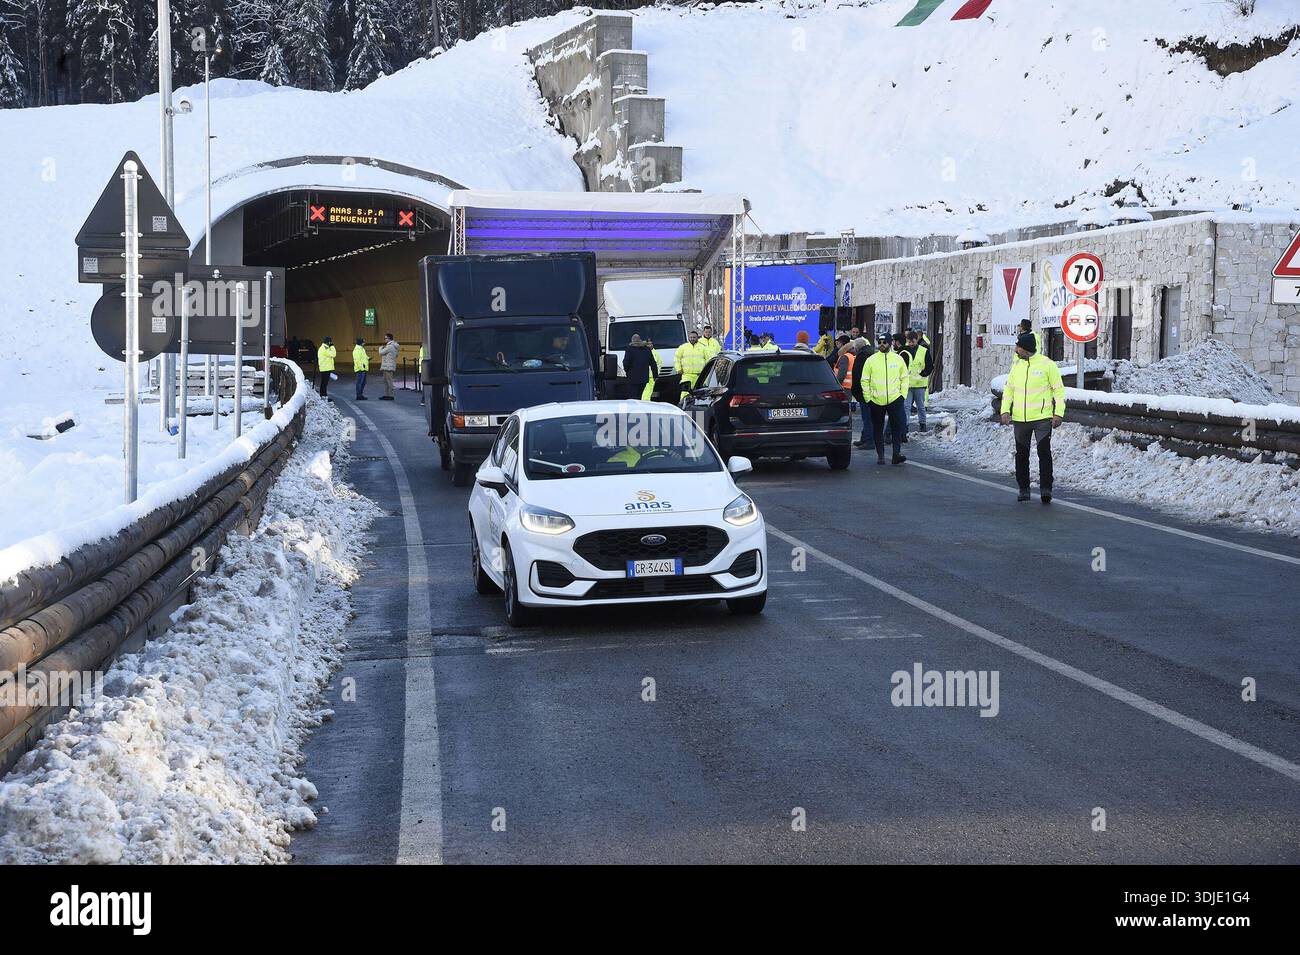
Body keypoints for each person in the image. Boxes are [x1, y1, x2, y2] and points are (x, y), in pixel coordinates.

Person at [1001, 331, 1065, 503]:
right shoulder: (1017, 365)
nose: (1015, 349)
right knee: (1022, 454)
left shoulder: (1047, 364)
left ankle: (1046, 489)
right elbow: (1009, 390)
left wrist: (1058, 413)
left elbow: (1059, 390)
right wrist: (1005, 410)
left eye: (1018, 347)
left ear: (1026, 349)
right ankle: (1024, 489)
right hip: (1020, 419)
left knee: (1044, 453)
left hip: (1042, 418)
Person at [863, 333, 909, 465]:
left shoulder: (898, 359)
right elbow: (864, 380)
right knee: (877, 428)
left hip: (895, 399)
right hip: (876, 400)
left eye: (884, 342)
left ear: (890, 343)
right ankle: (881, 456)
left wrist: (902, 395)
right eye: (880, 342)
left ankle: (896, 454)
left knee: (897, 427)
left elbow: (904, 377)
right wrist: (868, 398)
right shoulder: (871, 360)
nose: (882, 344)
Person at [849, 336, 875, 448]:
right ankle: (865, 438)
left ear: (858, 348)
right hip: (873, 390)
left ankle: (869, 441)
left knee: (867, 417)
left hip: (864, 391)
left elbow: (857, 375)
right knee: (869, 416)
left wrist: (856, 392)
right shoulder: (872, 353)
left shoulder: (861, 357)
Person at [904, 330, 928, 432]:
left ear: (916, 340)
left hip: (919, 384)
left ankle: (923, 424)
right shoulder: (905, 351)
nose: (911, 344)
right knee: (906, 407)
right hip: (908, 385)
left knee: (920, 407)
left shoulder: (924, 350)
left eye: (912, 342)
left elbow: (929, 365)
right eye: (909, 342)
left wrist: (923, 373)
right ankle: (905, 426)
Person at [622, 333, 656, 401]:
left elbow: (626, 362)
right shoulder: (646, 349)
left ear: (632, 341)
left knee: (633, 396)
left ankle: (634, 409)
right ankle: (639, 407)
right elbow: (653, 363)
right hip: (643, 378)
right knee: (640, 395)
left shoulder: (629, 349)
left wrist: (627, 371)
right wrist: (655, 375)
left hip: (632, 378)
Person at [674, 328, 706, 398]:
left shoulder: (703, 348)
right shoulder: (683, 347)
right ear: (688, 338)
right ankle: (682, 406)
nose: (692, 339)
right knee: (684, 393)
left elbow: (708, 359)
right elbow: (676, 358)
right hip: (686, 375)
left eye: (694, 337)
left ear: (697, 338)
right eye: (691, 337)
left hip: (699, 376)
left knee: (699, 393)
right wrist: (678, 368)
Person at [379, 332, 399, 400]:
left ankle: (390, 395)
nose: (384, 339)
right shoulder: (393, 346)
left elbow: (381, 353)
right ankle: (386, 394)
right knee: (385, 381)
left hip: (388, 366)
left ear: (389, 339)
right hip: (387, 366)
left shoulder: (390, 346)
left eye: (385, 338)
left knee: (389, 381)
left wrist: (380, 348)